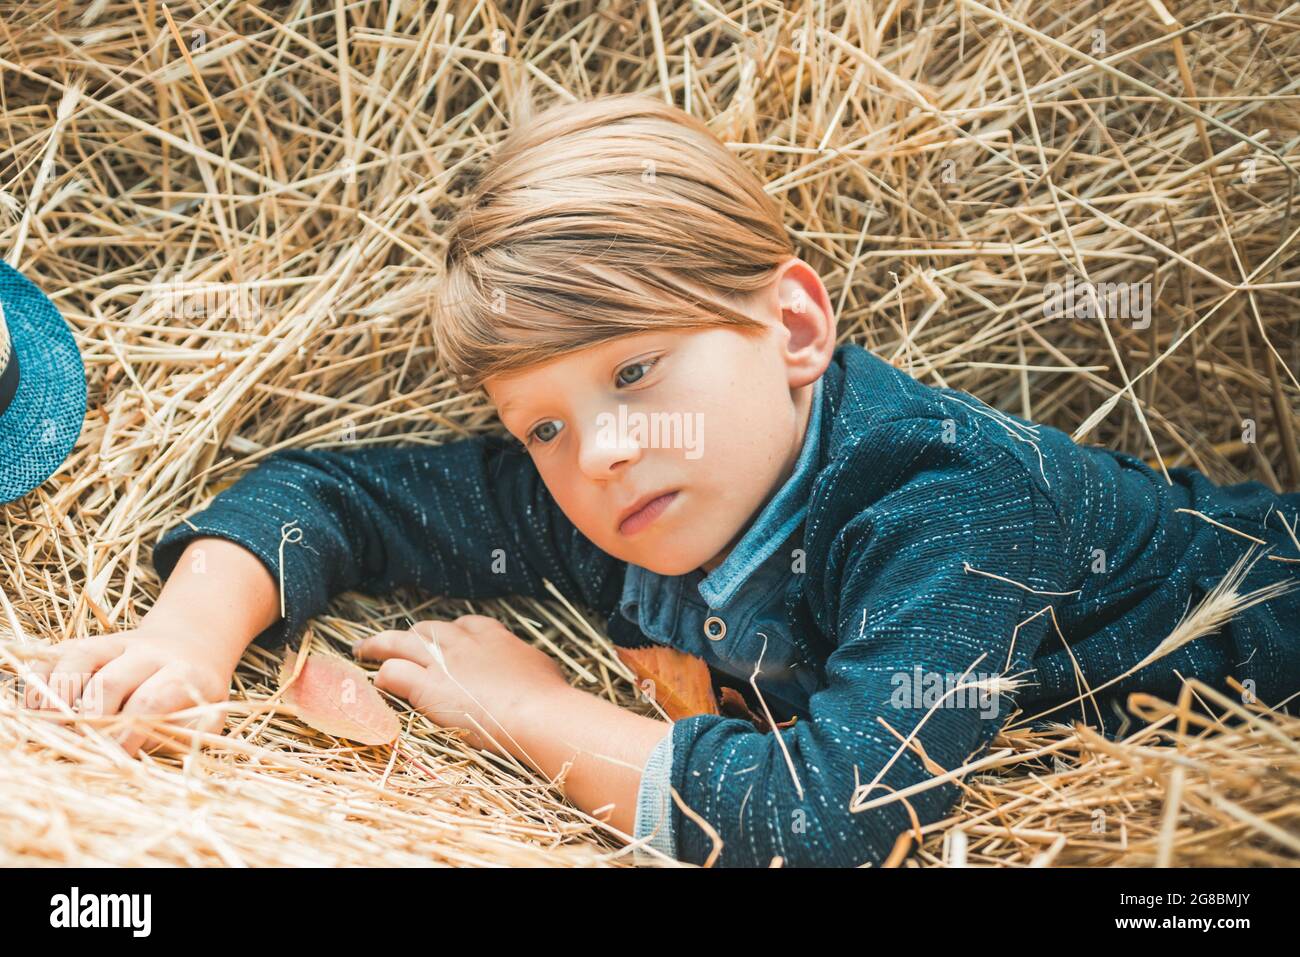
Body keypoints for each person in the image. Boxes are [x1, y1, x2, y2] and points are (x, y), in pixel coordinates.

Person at [23, 94, 1300, 867]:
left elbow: (831, 827)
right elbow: (337, 495)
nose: (596, 449)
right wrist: (189, 638)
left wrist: (517, 708)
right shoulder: (618, 495)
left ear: (794, 330)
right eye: (539, 427)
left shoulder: (947, 501)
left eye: (635, 372)